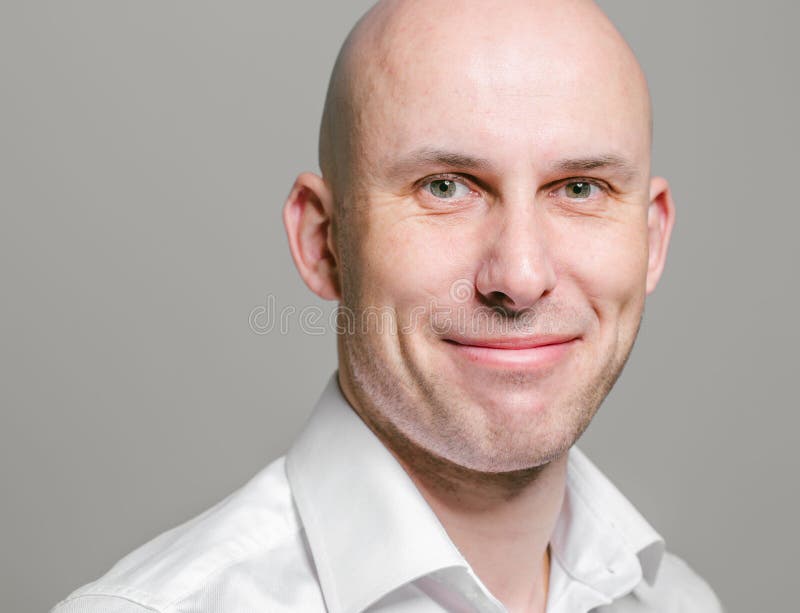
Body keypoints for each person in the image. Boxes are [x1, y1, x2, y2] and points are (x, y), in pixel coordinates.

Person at [52, 1, 724, 611]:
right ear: (324, 242)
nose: (520, 276)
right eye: (444, 186)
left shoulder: (681, 602)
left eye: (579, 187)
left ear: (651, 237)